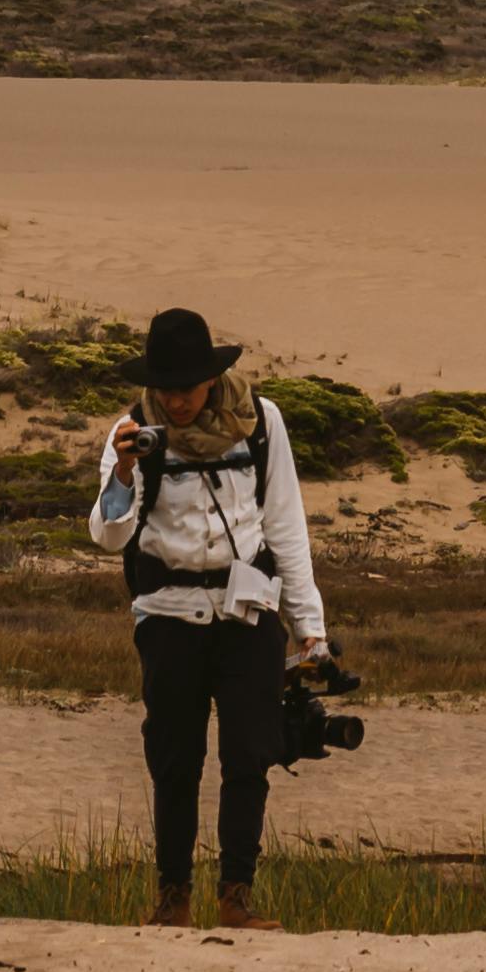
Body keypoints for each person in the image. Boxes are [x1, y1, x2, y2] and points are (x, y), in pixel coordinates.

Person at [89, 305, 327, 928]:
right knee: (174, 758)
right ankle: (172, 900)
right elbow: (109, 537)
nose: (176, 401)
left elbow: (286, 527)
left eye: (186, 388)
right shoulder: (131, 431)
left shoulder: (262, 423)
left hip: (247, 611)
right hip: (166, 616)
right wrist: (122, 471)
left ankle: (236, 899)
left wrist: (311, 628)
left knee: (250, 753)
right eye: (165, 389)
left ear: (211, 379)